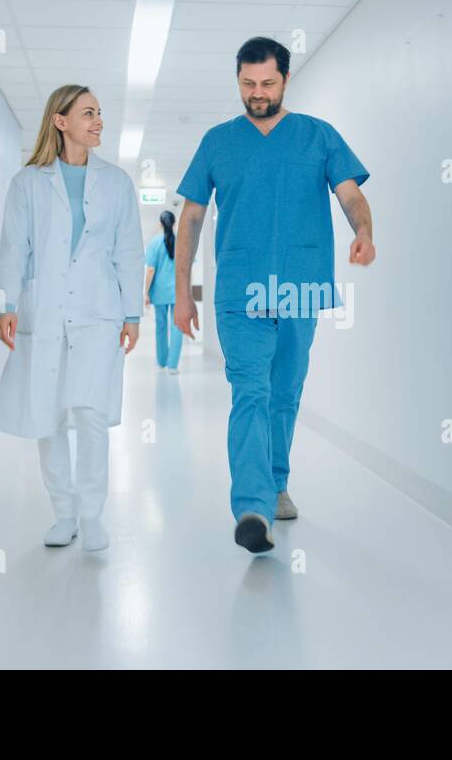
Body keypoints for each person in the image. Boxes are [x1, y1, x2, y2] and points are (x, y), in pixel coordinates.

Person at [173, 37, 376, 554]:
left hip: (301, 286)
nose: (256, 93)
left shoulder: (318, 136)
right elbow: (191, 217)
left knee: (285, 392)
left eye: (266, 83)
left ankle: (277, 481)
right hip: (240, 290)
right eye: (247, 83)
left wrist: (364, 232)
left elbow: (350, 193)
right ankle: (252, 508)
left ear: (286, 79)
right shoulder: (219, 141)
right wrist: (182, 293)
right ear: (237, 79)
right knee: (251, 392)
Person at [0, 84, 143, 552]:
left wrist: (132, 314)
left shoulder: (116, 182)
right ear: (61, 121)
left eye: (100, 113)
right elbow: (14, 249)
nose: (98, 121)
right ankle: (64, 514)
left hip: (99, 313)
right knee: (48, 415)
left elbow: (129, 252)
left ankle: (93, 516)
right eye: (89, 113)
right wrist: (7, 305)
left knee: (91, 414)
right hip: (47, 311)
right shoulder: (28, 182)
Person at [144, 210, 182, 374]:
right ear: (173, 223)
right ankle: (173, 365)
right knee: (177, 327)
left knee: (161, 326)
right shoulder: (182, 242)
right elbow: (186, 268)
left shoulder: (154, 243)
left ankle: (161, 361)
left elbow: (151, 269)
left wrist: (145, 292)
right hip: (177, 291)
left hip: (159, 292)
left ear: (160, 224)